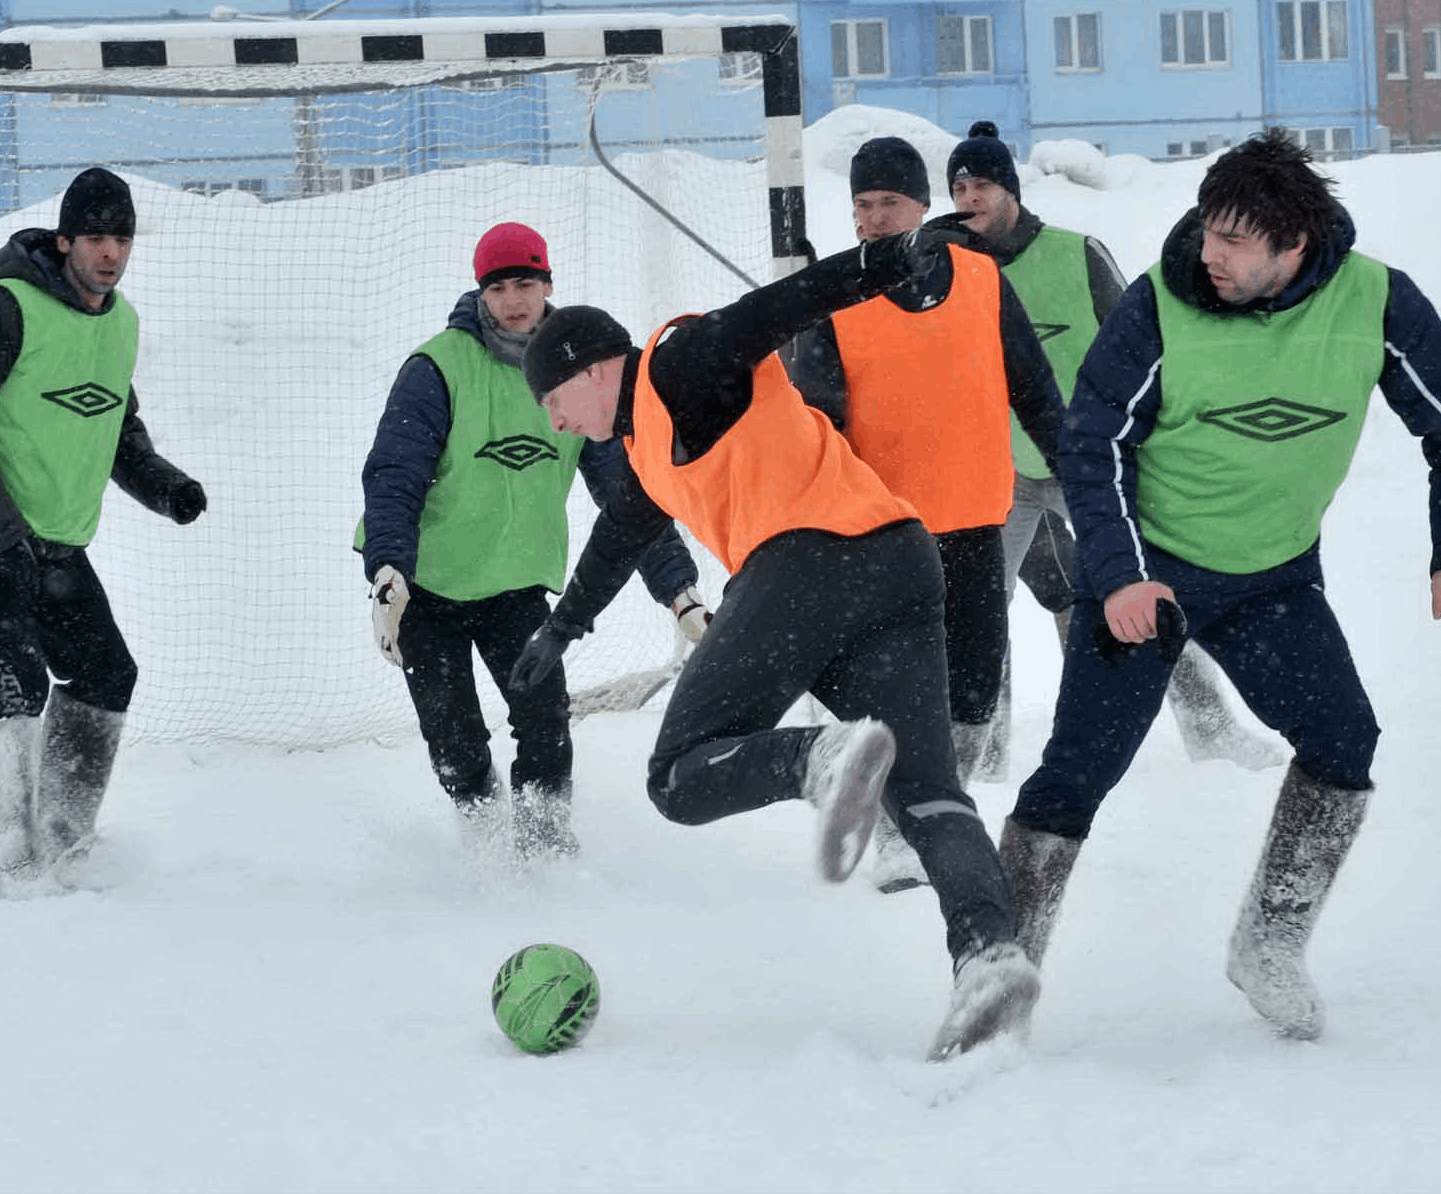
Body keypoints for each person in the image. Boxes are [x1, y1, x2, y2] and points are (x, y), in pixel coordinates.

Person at [1001, 128, 1441, 1041]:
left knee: (1344, 737)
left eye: (1235, 240)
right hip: (1152, 571)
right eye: (1208, 231)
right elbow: (1092, 441)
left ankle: (1269, 941)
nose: (1210, 253)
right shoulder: (1160, 303)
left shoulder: (1375, 300)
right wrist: (1117, 574)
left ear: (1293, 246)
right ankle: (999, 973)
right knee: (1077, 771)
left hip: (1274, 576)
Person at [509, 223, 1043, 1060]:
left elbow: (766, 313)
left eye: (553, 400)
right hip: (899, 564)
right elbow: (618, 538)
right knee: (929, 793)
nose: (558, 422)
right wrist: (561, 626)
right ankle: (989, 956)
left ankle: (819, 761)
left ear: (591, 366)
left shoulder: (678, 364)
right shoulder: (650, 447)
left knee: (678, 776)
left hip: (806, 564)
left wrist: (873, 266)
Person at [356, 222, 709, 864]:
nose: (514, 299)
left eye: (527, 282)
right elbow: (394, 474)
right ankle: (488, 847)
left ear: (548, 285)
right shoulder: (436, 368)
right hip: (425, 591)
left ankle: (546, 847)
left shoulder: (574, 372)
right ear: (480, 293)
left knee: (545, 721)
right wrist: (387, 572)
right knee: (455, 739)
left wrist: (678, 591)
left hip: (514, 588)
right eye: (499, 286)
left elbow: (630, 495)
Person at [946, 119, 1282, 785]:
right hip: (1001, 472)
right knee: (976, 617)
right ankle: (974, 765)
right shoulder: (955, 271)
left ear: (1009, 188)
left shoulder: (1076, 254)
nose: (967, 197)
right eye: (957, 186)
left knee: (1147, 592)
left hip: (1088, 462)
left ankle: (1213, 733)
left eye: (980, 183)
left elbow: (1144, 341)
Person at [0, 167, 207, 899]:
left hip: (50, 545)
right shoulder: (3, 307)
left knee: (108, 672)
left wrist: (166, 486)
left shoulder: (121, 324)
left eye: (122, 238)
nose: (111, 253)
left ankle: (65, 840)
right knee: (16, 687)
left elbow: (118, 430)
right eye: (97, 237)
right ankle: (18, 866)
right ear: (65, 238)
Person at [787, 134, 1063, 894]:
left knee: (974, 688)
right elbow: (818, 425)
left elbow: (1035, 390)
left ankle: (946, 803)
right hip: (887, 536)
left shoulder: (979, 279)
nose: (873, 219)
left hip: (976, 523)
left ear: (920, 206)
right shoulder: (835, 298)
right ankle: (897, 828)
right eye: (862, 206)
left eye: (889, 203)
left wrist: (1080, 469)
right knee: (894, 693)